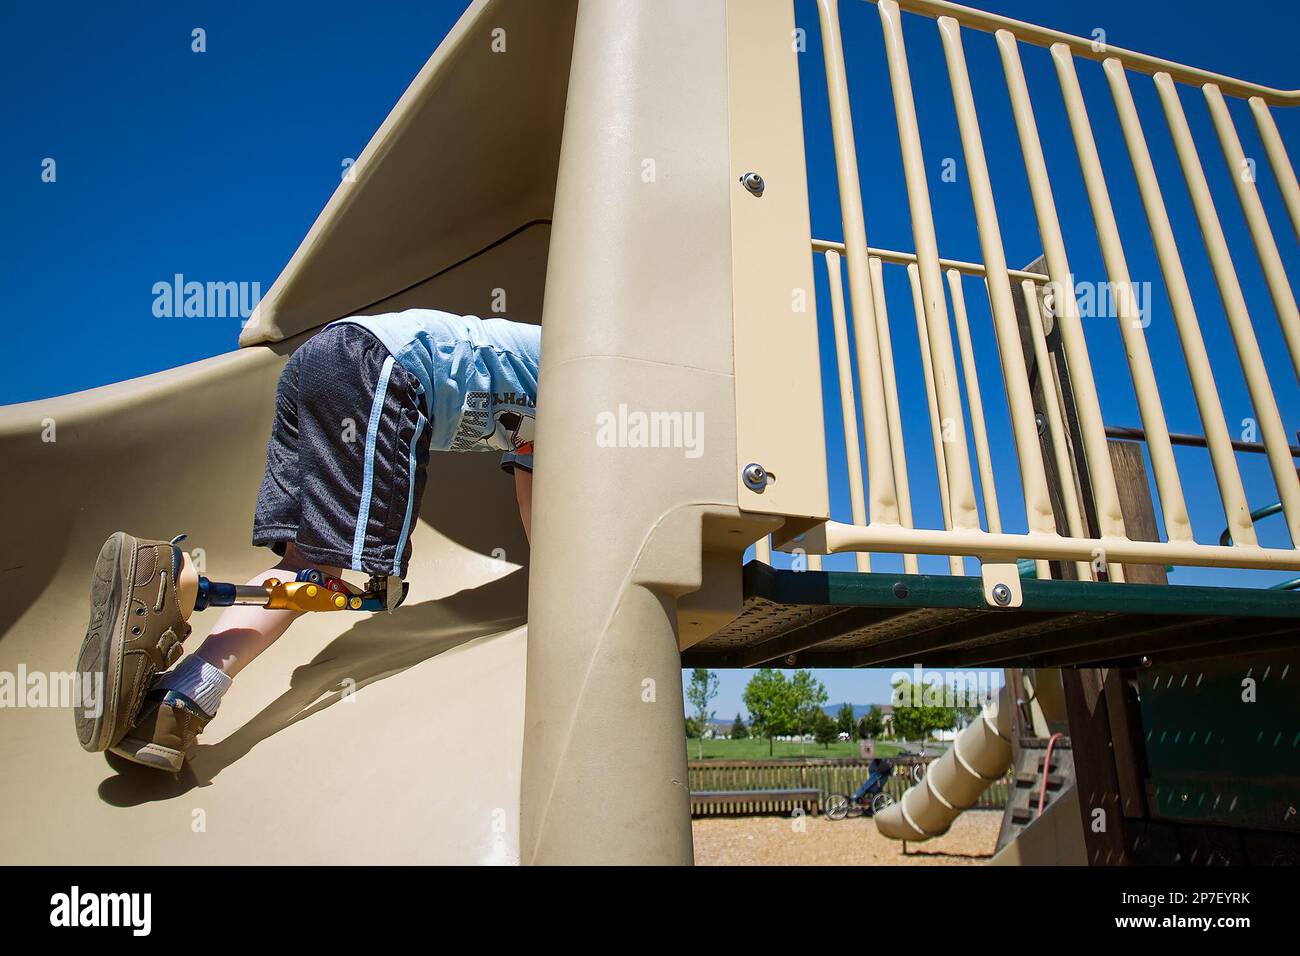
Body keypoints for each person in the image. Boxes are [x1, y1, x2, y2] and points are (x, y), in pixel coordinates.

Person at [73, 309, 540, 771]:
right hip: (382, 364)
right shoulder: (590, 373)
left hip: (320, 360)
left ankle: (175, 701)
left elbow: (533, 500)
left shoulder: (543, 409)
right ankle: (169, 585)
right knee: (376, 591)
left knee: (310, 573)